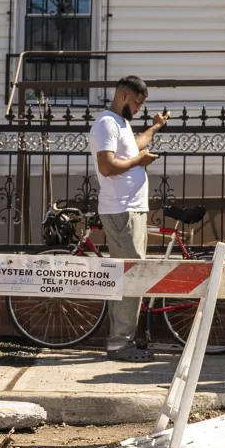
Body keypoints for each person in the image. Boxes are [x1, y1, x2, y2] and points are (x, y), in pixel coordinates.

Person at [88, 75, 168, 361]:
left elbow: (136, 143)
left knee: (133, 275)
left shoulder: (121, 123)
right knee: (130, 277)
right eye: (136, 103)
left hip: (130, 210)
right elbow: (107, 166)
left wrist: (156, 126)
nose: (138, 108)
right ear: (123, 95)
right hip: (121, 211)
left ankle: (125, 339)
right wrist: (140, 161)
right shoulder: (107, 123)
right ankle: (120, 344)